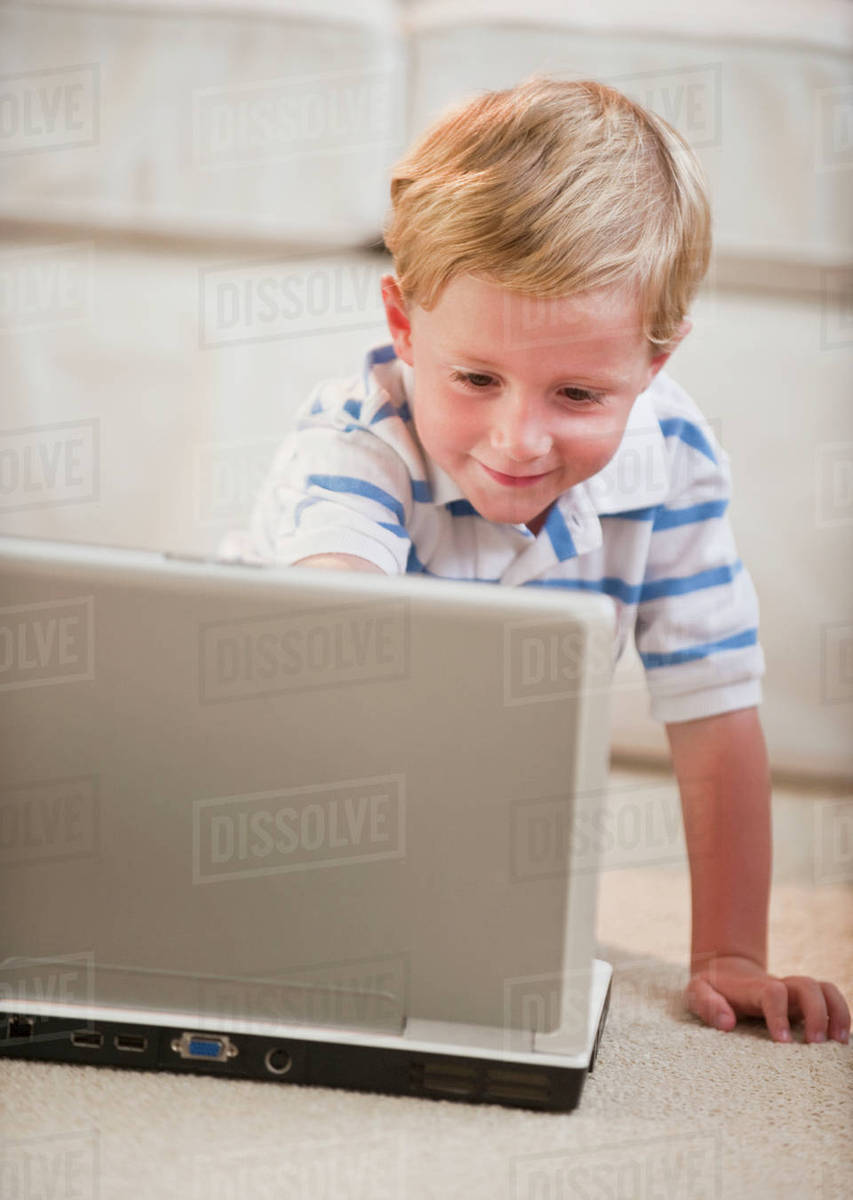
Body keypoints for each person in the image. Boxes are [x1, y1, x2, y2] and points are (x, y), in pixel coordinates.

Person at [222, 75, 850, 1045]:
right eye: (475, 378)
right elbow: (330, 631)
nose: (518, 440)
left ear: (655, 364)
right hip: (274, 763)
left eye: (579, 395)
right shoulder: (355, 446)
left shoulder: (672, 461)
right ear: (403, 326)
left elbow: (715, 711)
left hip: (458, 791)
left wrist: (730, 952)